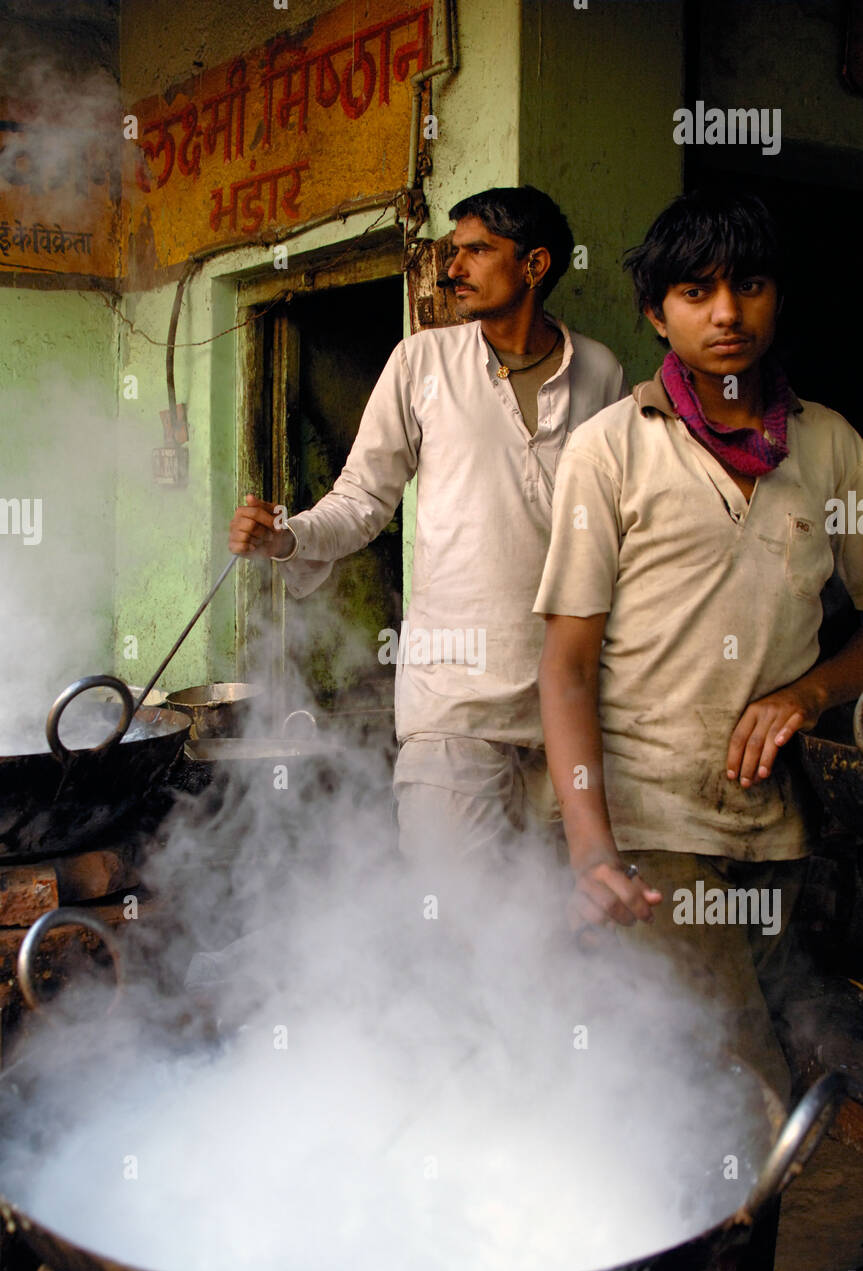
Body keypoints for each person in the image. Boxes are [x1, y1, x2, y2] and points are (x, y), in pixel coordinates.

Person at [534, 189, 863, 1100]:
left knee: (750, 1096)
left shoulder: (830, 447)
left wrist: (810, 694)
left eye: (749, 285)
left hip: (780, 831)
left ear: (777, 297)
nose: (726, 313)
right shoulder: (610, 451)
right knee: (735, 1088)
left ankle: (722, 1247)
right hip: (651, 830)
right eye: (695, 291)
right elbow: (564, 667)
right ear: (655, 312)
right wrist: (591, 851)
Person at [229, 185, 626, 862]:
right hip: (451, 701)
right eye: (452, 252)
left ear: (534, 265)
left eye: (476, 251)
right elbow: (360, 499)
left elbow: (617, 530)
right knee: (454, 914)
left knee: (559, 928)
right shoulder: (421, 363)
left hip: (575, 700)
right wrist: (287, 536)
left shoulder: (598, 372)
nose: (454, 268)